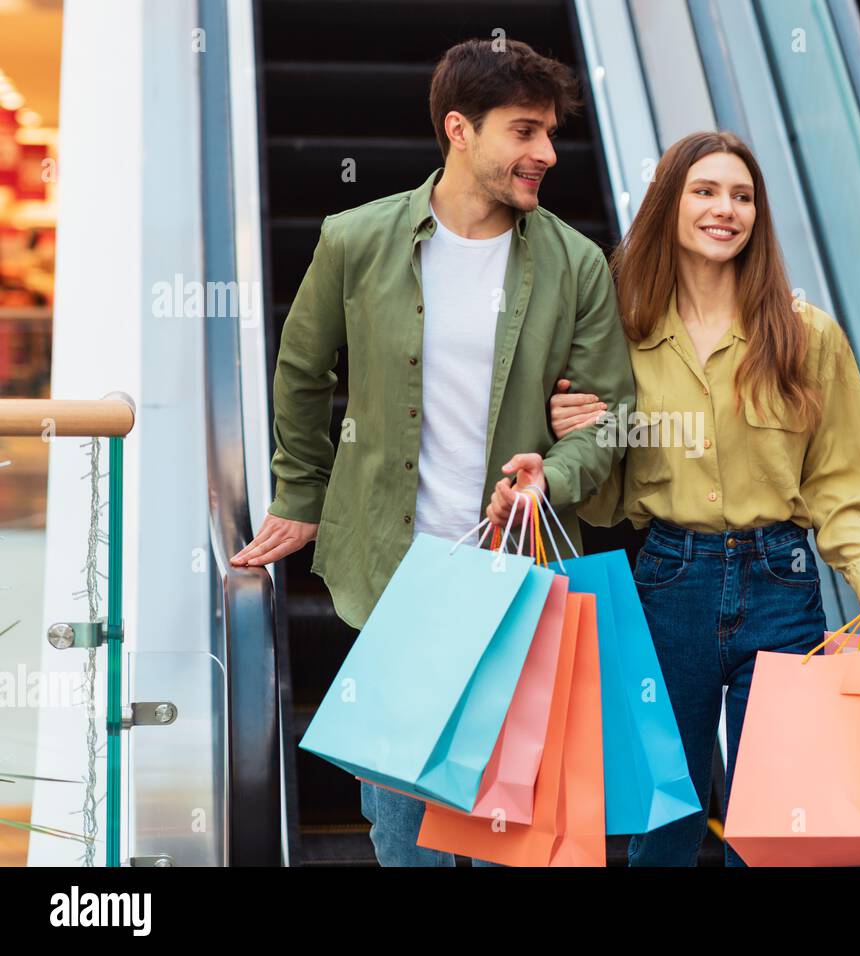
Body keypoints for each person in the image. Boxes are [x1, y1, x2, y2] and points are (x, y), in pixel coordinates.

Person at [231, 38, 635, 867]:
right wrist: (299, 492)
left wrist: (550, 476)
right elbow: (302, 372)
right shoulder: (356, 240)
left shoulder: (577, 262)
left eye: (551, 135)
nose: (546, 154)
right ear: (459, 128)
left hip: (518, 578)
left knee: (509, 831)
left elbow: (611, 413)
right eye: (525, 132)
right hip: (395, 576)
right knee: (403, 832)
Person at [547, 130, 860, 867]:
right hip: (669, 583)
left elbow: (842, 480)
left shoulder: (806, 336)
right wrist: (574, 432)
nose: (726, 209)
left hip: (782, 585)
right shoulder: (622, 335)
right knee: (663, 824)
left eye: (742, 196)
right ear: (668, 205)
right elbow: (605, 497)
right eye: (705, 191)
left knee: (779, 824)